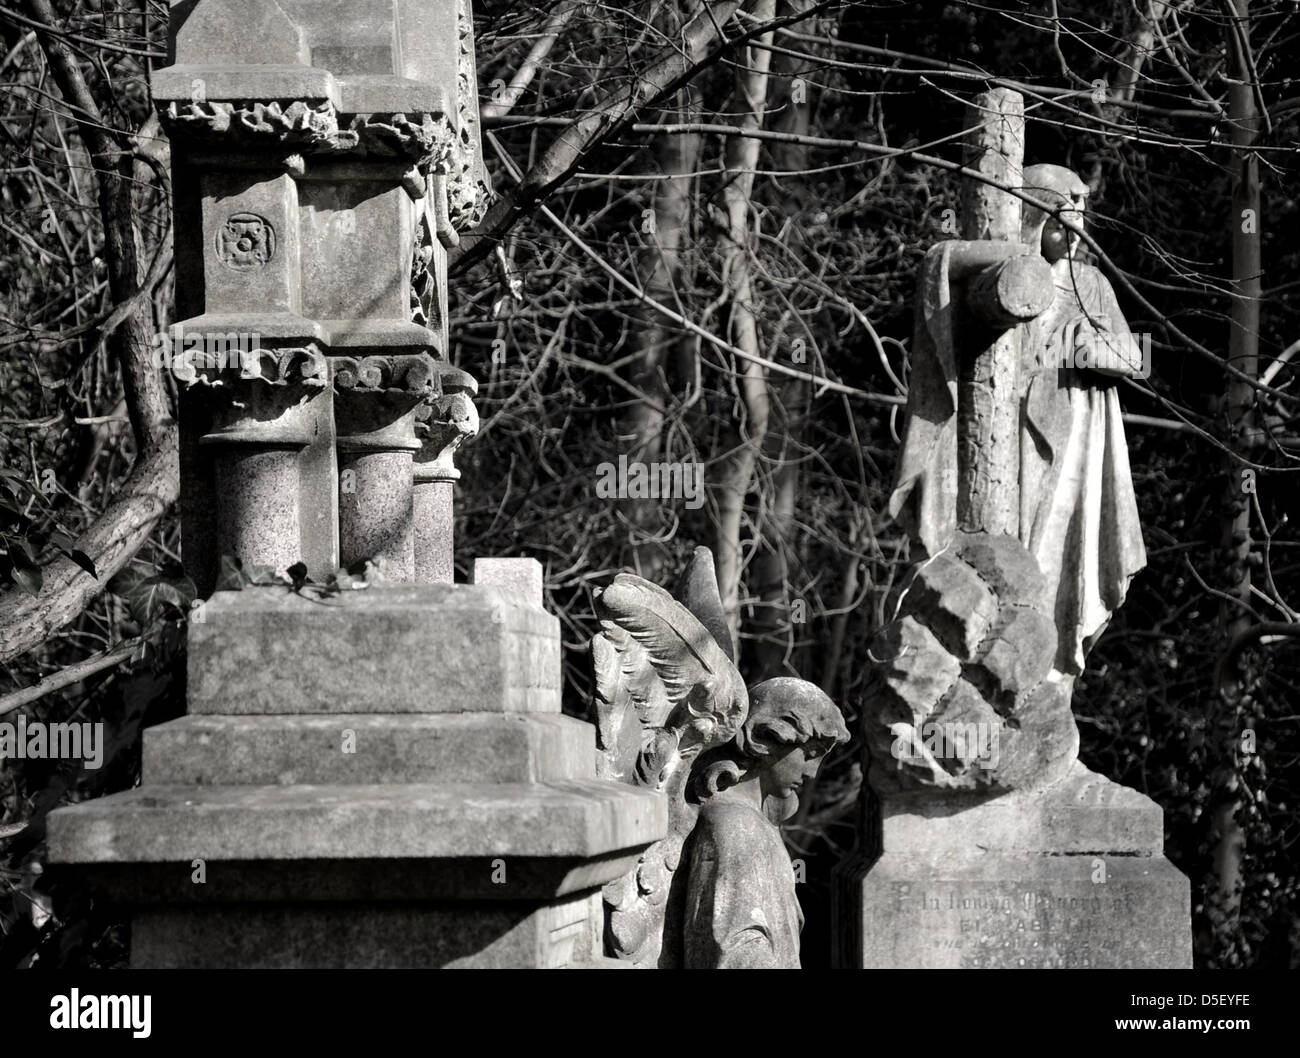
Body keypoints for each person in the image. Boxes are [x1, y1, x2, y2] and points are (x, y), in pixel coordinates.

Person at [681, 678, 849, 968]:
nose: (812, 773)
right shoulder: (733, 825)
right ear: (767, 740)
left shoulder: (758, 824)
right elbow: (734, 948)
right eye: (809, 755)